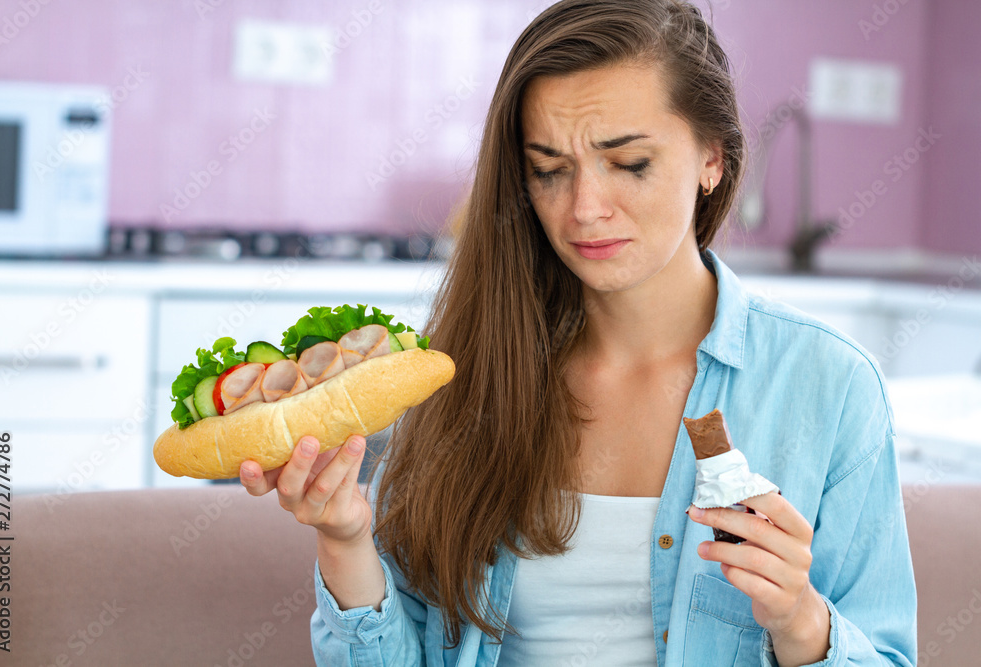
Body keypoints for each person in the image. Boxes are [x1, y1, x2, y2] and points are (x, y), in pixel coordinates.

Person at [240, 1, 918, 665]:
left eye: (628, 163)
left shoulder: (828, 386)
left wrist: (800, 620)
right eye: (549, 169)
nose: (585, 208)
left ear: (712, 158)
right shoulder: (466, 372)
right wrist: (345, 538)